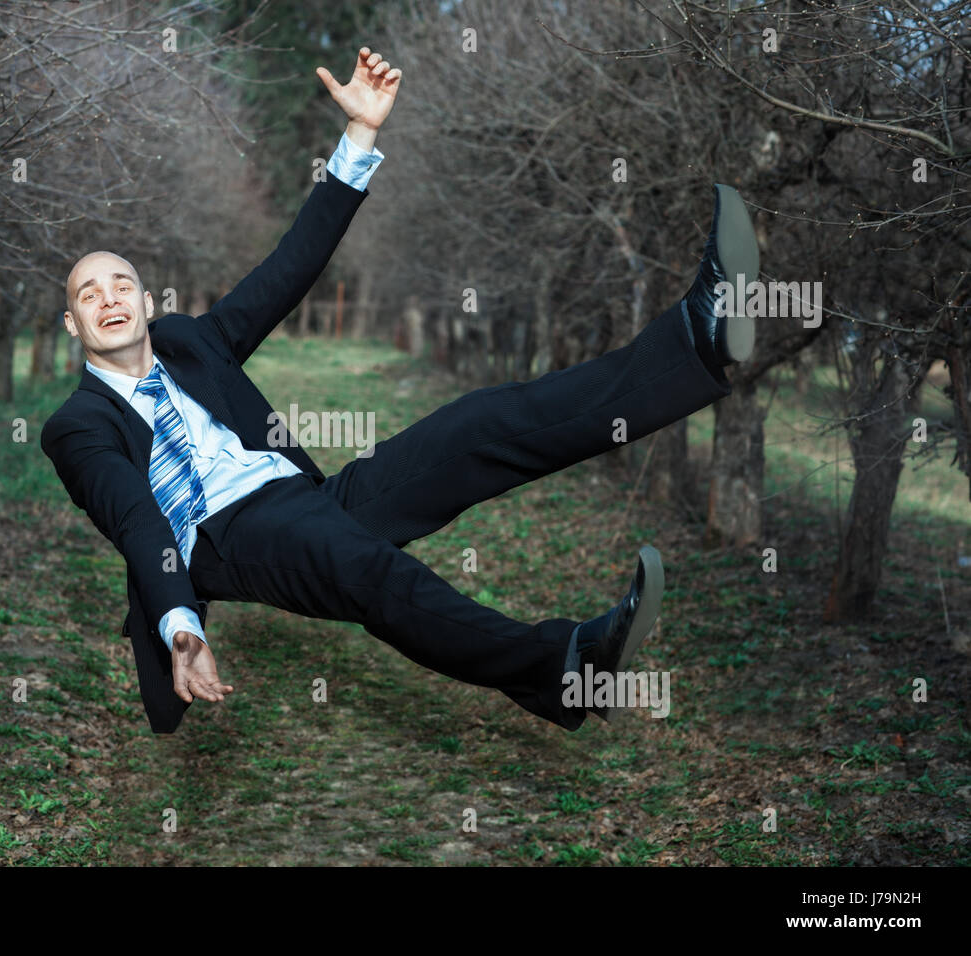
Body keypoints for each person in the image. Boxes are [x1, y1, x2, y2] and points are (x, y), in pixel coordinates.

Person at [41, 46, 759, 733]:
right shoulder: (78, 425)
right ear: (74, 323)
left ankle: (697, 343)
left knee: (482, 424)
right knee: (368, 571)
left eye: (122, 283)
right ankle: (573, 665)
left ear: (143, 298)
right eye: (89, 293)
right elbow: (136, 517)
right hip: (225, 535)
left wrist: (358, 132)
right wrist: (180, 623)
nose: (109, 298)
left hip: (307, 498)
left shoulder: (190, 344)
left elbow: (288, 268)